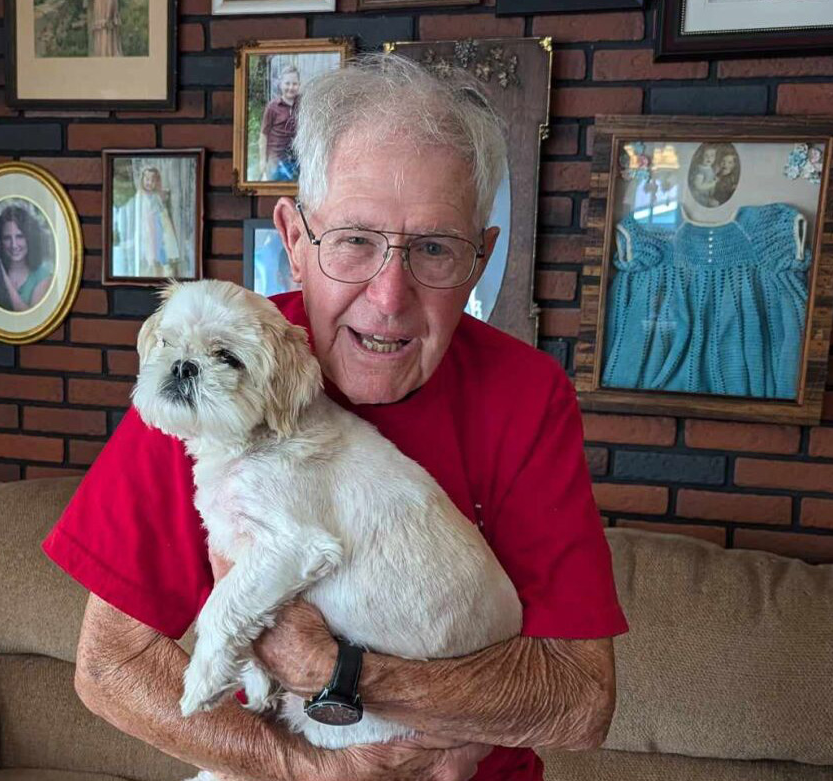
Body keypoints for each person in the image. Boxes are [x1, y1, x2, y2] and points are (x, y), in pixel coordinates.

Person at [45, 53, 626, 781]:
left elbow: (578, 699)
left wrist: (333, 667)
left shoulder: (526, 394)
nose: (389, 296)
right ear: (294, 240)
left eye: (434, 249)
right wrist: (305, 768)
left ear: (480, 260)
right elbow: (109, 668)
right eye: (354, 240)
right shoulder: (214, 380)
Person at [0, 203, 52, 311]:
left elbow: (28, 318)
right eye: (7, 238)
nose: (14, 245)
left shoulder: (43, 276)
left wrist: (2, 273)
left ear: (29, 238)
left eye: (19, 236)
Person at [130, 165, 184, 278]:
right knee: (150, 251)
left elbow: (161, 210)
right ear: (142, 180)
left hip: (157, 226)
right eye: (147, 179)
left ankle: (164, 270)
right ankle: (152, 271)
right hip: (146, 228)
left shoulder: (156, 196)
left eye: (152, 180)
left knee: (160, 248)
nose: (149, 183)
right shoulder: (140, 196)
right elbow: (139, 213)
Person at [258, 65, 301, 182]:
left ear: (299, 85)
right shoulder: (272, 107)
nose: (291, 87)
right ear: (281, 84)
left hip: (295, 161)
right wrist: (263, 161)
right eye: (287, 83)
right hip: (276, 162)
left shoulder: (302, 104)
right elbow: (263, 135)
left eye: (294, 84)